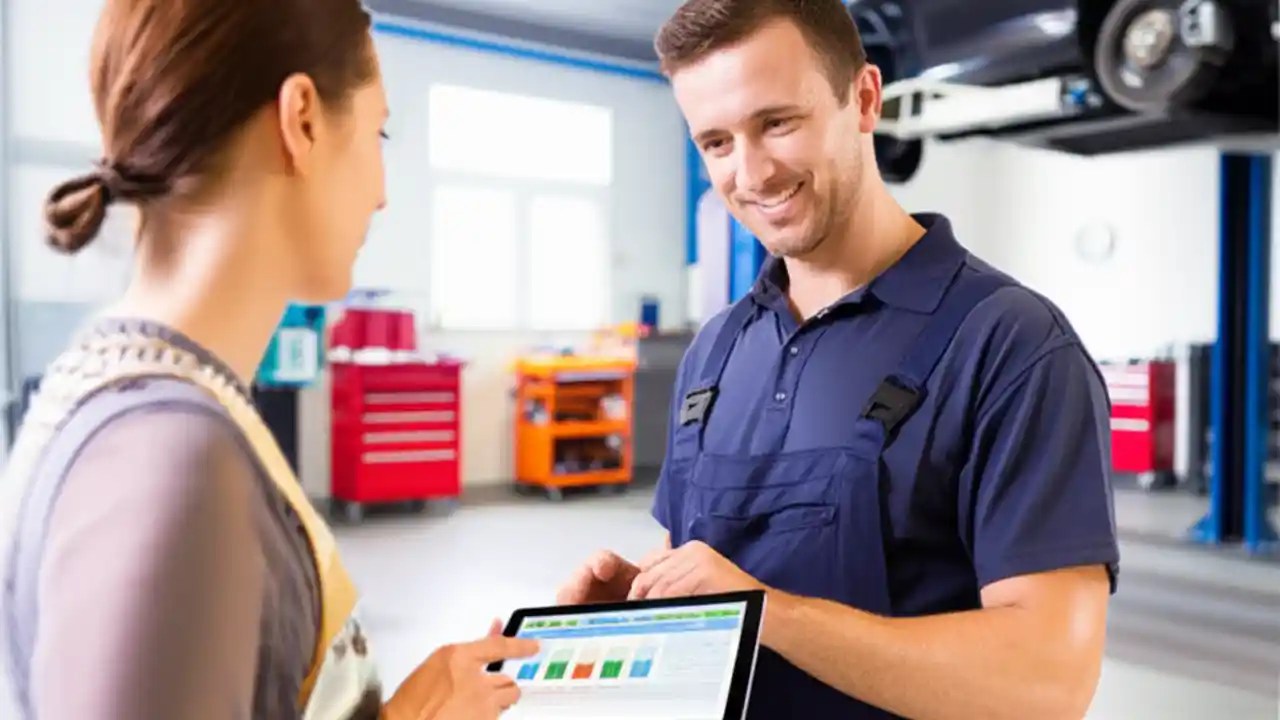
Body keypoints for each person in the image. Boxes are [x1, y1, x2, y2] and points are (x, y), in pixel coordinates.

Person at [556, 1, 1119, 718]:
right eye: (716, 142)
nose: (751, 172)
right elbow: (707, 580)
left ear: (863, 99)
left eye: (777, 123)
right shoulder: (717, 351)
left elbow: (1046, 684)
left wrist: (772, 613)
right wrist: (637, 613)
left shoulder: (1012, 346)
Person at [0, 2, 537, 719]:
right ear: (303, 120)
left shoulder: (137, 394)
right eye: (378, 132)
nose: (382, 195)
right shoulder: (170, 458)